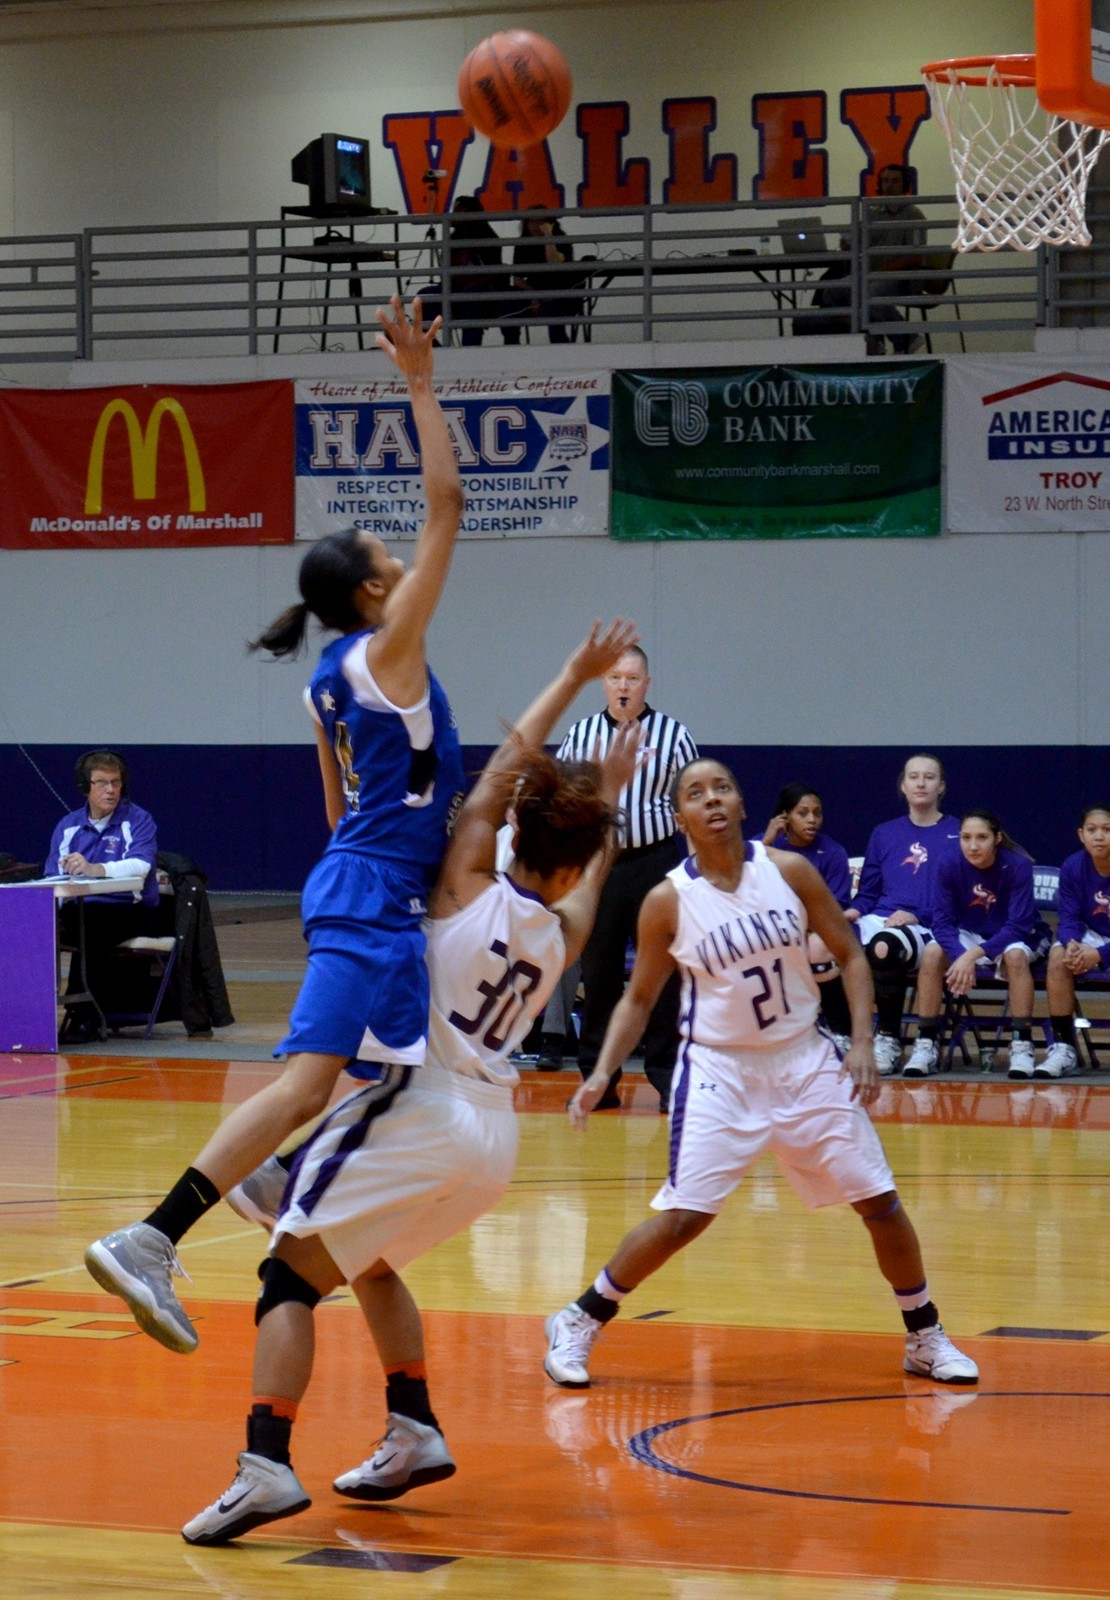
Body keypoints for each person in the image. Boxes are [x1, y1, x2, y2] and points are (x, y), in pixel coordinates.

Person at [179, 621, 643, 1545]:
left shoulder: (465, 881)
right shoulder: (566, 928)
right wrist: (610, 804)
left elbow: (509, 765)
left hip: (419, 1105)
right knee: (371, 1260)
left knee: (287, 1281)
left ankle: (265, 1463)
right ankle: (415, 1427)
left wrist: (569, 673)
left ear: (514, 835)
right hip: (492, 1135)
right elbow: (589, 864)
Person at [84, 296, 467, 1356]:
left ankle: (276, 1173)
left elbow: (338, 808)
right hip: (369, 888)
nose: (406, 561)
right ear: (374, 590)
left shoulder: (326, 685)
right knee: (306, 1079)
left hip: (368, 884)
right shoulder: (387, 654)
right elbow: (449, 502)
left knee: (389, 1077)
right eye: (389, 559)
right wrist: (422, 383)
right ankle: (153, 1236)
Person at [542, 758, 978, 1393]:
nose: (711, 799)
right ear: (679, 816)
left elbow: (852, 954)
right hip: (720, 1069)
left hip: (804, 1058)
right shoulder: (668, 900)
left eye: (722, 787)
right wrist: (602, 1070)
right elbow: (637, 1000)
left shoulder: (789, 871)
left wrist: (861, 1042)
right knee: (686, 1216)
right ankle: (578, 1318)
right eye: (696, 793)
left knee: (879, 1202)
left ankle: (924, 1334)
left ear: (741, 802)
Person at [556, 644, 697, 1111]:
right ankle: (600, 1077)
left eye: (632, 679)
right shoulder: (580, 734)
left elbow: (692, 803)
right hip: (600, 863)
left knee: (665, 973)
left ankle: (666, 1079)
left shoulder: (674, 735)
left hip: (655, 862)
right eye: (615, 678)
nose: (623, 686)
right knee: (598, 972)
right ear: (603, 682)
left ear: (646, 685)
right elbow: (565, 799)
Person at [903, 809, 1050, 1080]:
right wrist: (961, 956)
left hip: (1017, 934)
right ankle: (926, 1042)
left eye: (981, 837)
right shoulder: (948, 864)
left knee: (1015, 957)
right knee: (933, 952)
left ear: (996, 838)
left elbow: (1018, 925)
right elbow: (942, 923)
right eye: (966, 837)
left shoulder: (1017, 866)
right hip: (971, 933)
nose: (972, 845)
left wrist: (970, 957)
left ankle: (1021, 1043)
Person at [846, 753, 961, 1076]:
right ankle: (839, 1035)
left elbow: (960, 898)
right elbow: (868, 893)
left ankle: (889, 1039)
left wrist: (915, 915)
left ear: (941, 786)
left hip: (929, 927)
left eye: (929, 777)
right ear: (903, 785)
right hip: (883, 918)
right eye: (914, 777)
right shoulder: (883, 833)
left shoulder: (959, 833)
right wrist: (849, 914)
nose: (921, 783)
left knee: (884, 946)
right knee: (822, 944)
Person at [47, 749, 161, 1043]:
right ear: (85, 787)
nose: (110, 790)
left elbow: (140, 865)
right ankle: (30, 1016)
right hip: (80, 910)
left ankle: (83, 1017)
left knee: (89, 927)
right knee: (35, 929)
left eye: (116, 782)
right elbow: (52, 878)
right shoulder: (68, 826)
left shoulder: (138, 820)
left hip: (128, 911)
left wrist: (93, 869)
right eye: (101, 783)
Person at [762, 782, 853, 1043]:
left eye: (817, 813)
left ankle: (840, 1031)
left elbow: (836, 904)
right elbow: (742, 889)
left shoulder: (833, 852)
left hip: (819, 929)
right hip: (774, 929)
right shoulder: (762, 848)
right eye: (803, 813)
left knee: (817, 947)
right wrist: (766, 841)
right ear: (784, 817)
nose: (812, 820)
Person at [1039, 805, 1110, 1078]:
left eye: (1106, 830)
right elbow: (1068, 918)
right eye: (1092, 830)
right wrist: (1072, 944)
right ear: (1081, 835)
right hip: (1091, 934)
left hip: (1103, 944)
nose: (1099, 836)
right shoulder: (1073, 865)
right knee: (1057, 958)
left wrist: (1100, 954)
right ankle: (1064, 1047)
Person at [418, 194, 512, 347]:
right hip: (457, 289)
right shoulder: (452, 240)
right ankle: (433, 349)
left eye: (459, 210)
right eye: (454, 209)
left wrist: (467, 285)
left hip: (481, 291)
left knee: (471, 298)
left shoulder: (488, 239)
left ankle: (470, 350)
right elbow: (446, 274)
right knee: (424, 296)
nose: (454, 213)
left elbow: (493, 275)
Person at [866, 163, 928, 357]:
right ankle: (875, 341)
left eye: (895, 181)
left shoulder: (914, 215)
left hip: (904, 278)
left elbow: (915, 257)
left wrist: (881, 271)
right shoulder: (871, 212)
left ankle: (903, 338)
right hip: (873, 275)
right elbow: (860, 246)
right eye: (885, 181)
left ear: (905, 185)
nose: (889, 185)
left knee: (871, 293)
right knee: (833, 293)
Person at [508, 208, 579, 344]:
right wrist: (534, 295)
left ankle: (560, 348)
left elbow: (553, 264)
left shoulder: (561, 241)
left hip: (559, 292)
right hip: (533, 292)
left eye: (540, 221)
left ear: (550, 223)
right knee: (509, 303)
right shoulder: (522, 244)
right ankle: (512, 346)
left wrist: (548, 237)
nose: (535, 225)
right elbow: (517, 279)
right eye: (531, 221)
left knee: (553, 303)